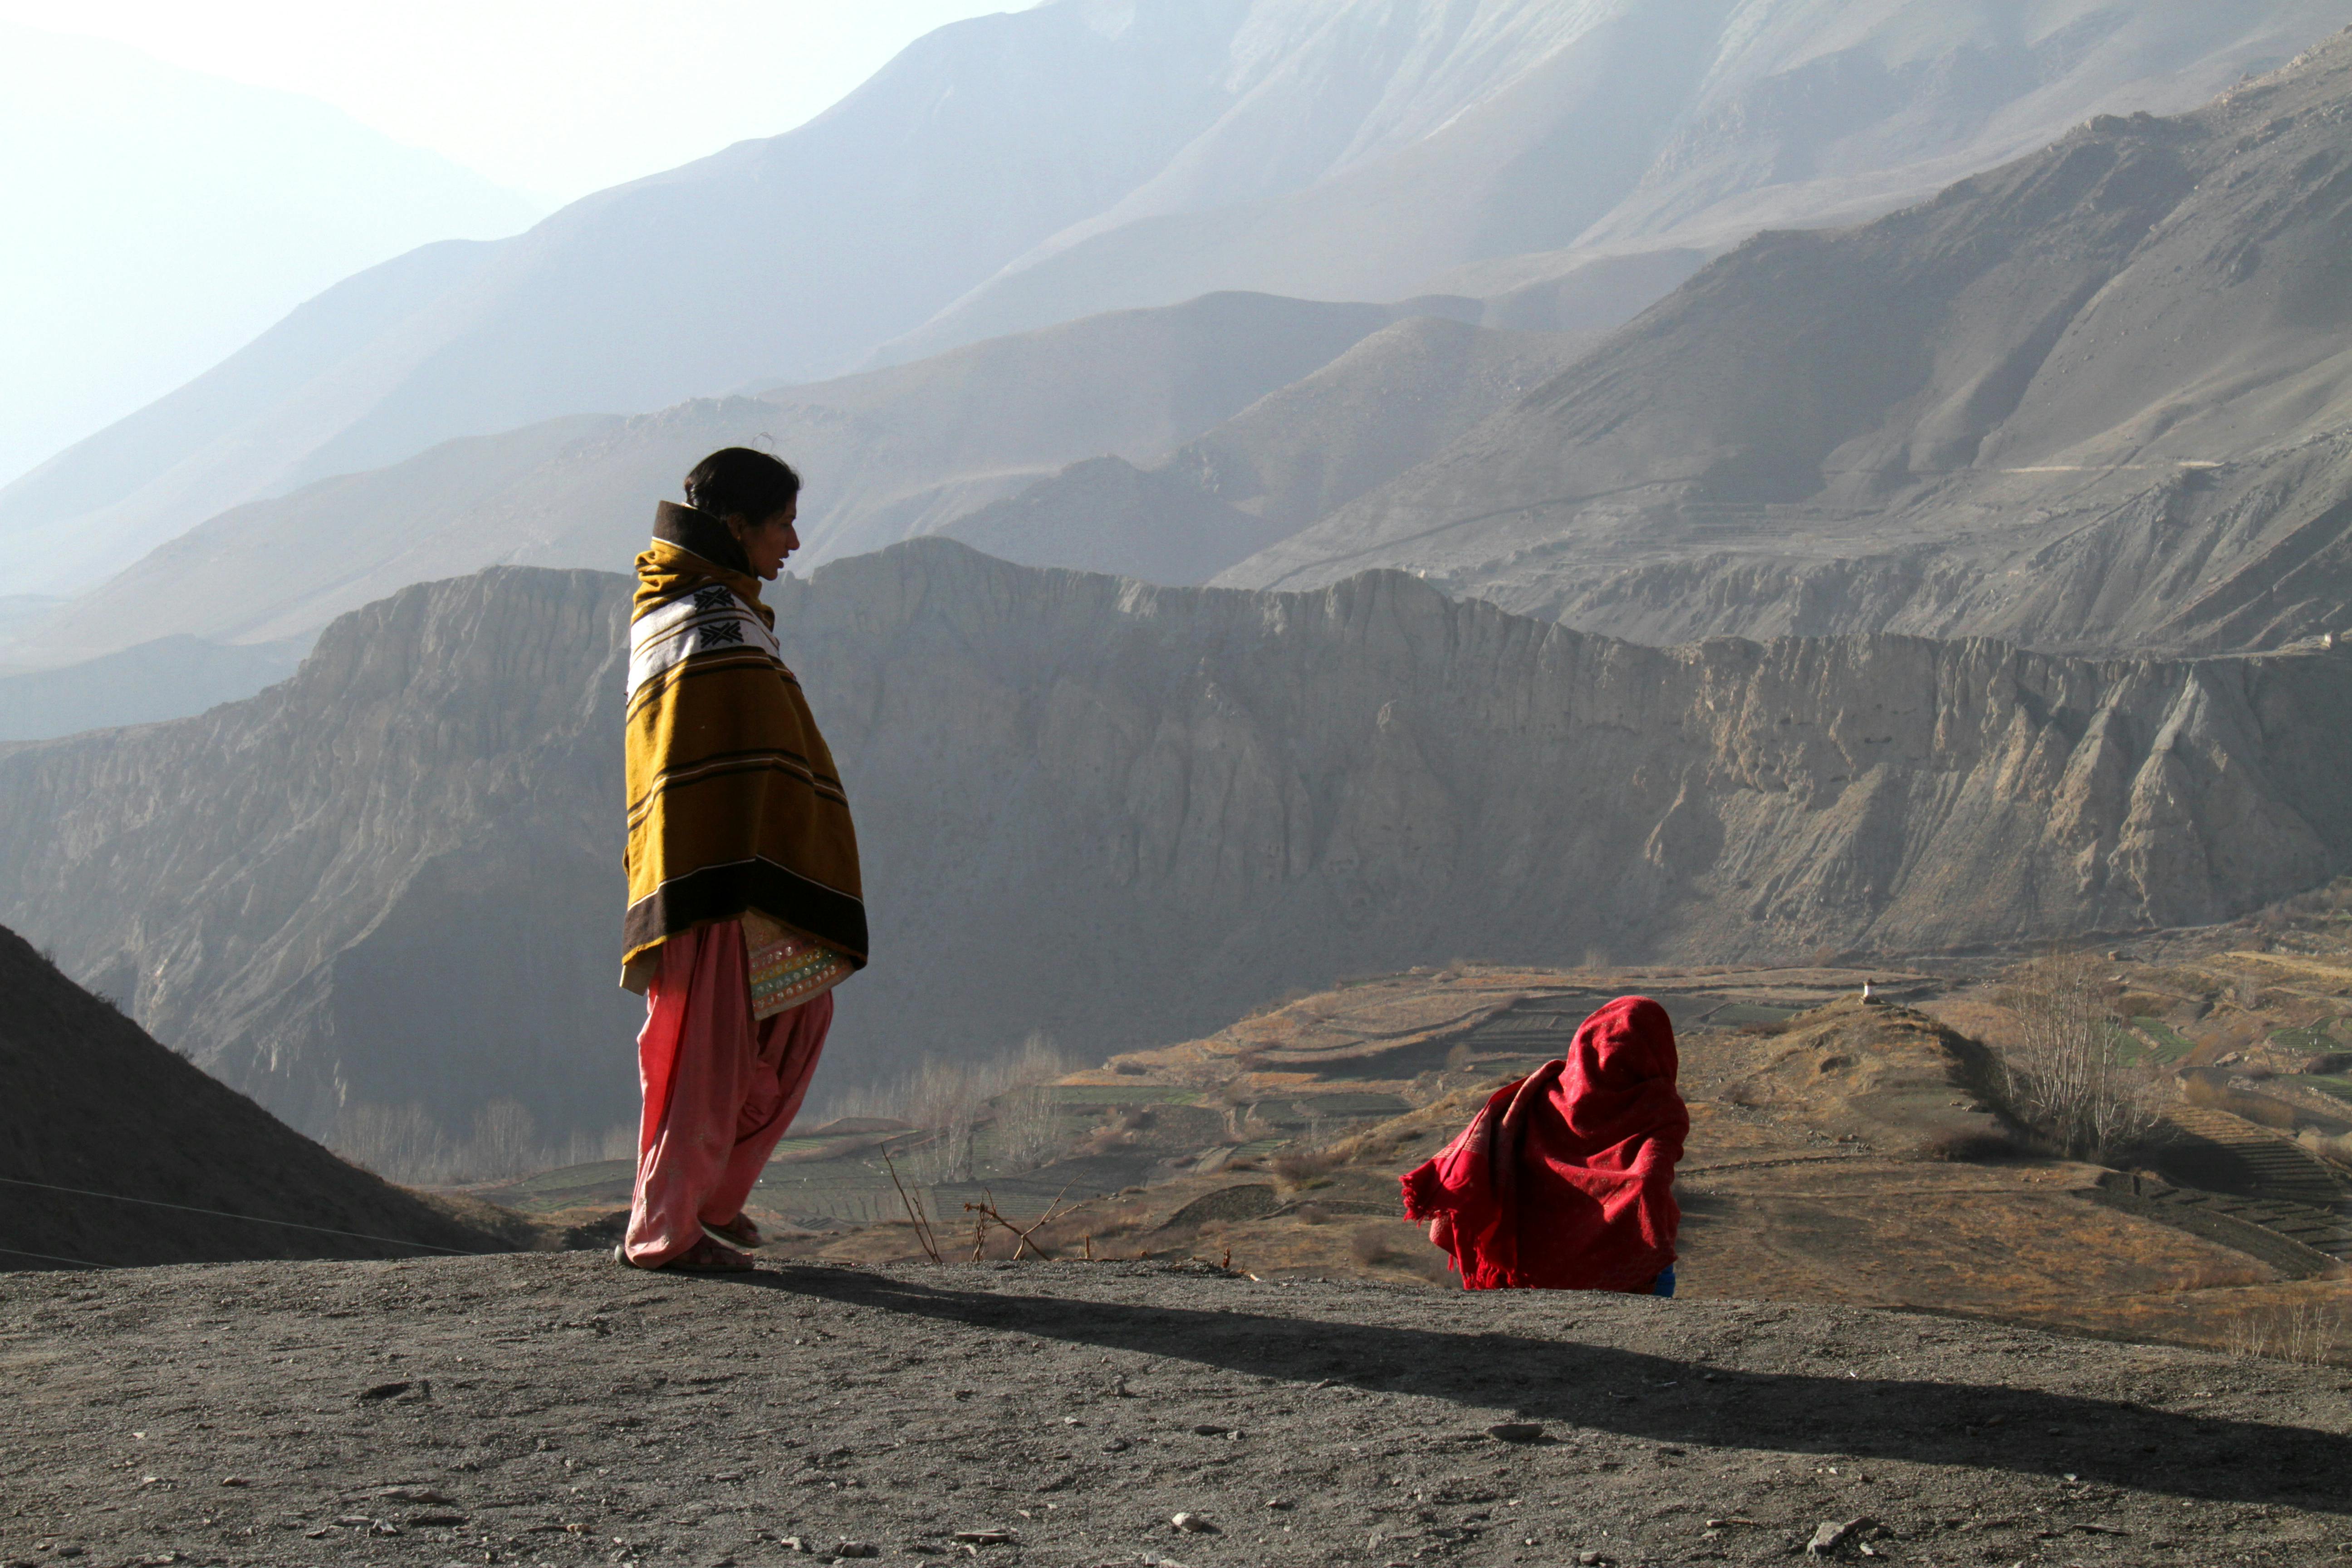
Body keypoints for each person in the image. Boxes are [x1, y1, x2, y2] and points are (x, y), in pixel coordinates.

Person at [615, 447, 867, 1272]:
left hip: (746, 862)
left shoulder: (716, 603)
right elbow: (695, 754)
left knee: (798, 1016)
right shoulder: (693, 613)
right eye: (783, 523)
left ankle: (712, 1198)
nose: (793, 541)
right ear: (737, 527)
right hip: (705, 867)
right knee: (706, 1049)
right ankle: (665, 1228)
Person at [1401, 995, 1686, 1295]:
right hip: (1628, 1270)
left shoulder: (1544, 1095)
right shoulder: (1658, 1105)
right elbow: (1650, 1178)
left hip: (1531, 1267)